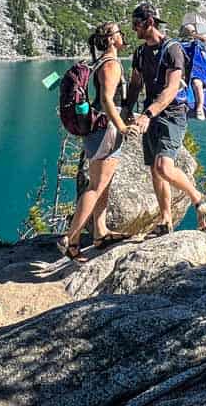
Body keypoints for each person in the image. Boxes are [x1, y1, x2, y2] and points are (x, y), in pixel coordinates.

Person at [124, 2, 206, 236]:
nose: (134, 29)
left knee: (164, 165)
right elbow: (135, 84)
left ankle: (199, 199)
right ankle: (165, 221)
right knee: (155, 170)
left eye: (137, 24)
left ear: (150, 23)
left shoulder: (172, 49)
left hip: (172, 113)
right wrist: (126, 109)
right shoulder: (140, 52)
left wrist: (147, 115)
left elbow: (172, 88)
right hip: (151, 112)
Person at [57, 21, 130, 262]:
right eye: (119, 33)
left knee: (103, 184)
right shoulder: (111, 64)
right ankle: (72, 239)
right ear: (111, 39)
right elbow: (108, 100)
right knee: (96, 186)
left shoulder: (99, 62)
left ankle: (101, 233)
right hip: (105, 130)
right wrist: (123, 126)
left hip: (98, 130)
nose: (123, 36)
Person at [179, 21, 206, 120]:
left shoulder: (197, 43)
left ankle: (199, 108)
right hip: (183, 68)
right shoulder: (179, 43)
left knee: (196, 83)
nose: (192, 34)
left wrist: (195, 36)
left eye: (193, 31)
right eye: (190, 32)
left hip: (197, 68)